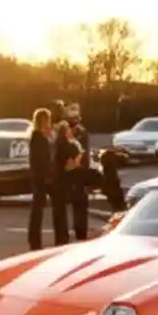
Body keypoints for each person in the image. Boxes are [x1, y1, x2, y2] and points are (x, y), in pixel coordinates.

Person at [27, 108, 63, 250]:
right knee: (38, 209)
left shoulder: (43, 136)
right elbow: (42, 160)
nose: (50, 122)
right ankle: (35, 241)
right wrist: (49, 175)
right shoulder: (37, 137)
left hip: (44, 177)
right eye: (47, 119)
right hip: (42, 178)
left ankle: (41, 240)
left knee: (41, 208)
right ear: (42, 120)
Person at [64, 102, 91, 240]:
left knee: (79, 204)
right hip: (77, 172)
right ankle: (80, 231)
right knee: (79, 204)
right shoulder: (80, 131)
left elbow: (82, 153)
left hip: (76, 172)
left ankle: (81, 231)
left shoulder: (77, 132)